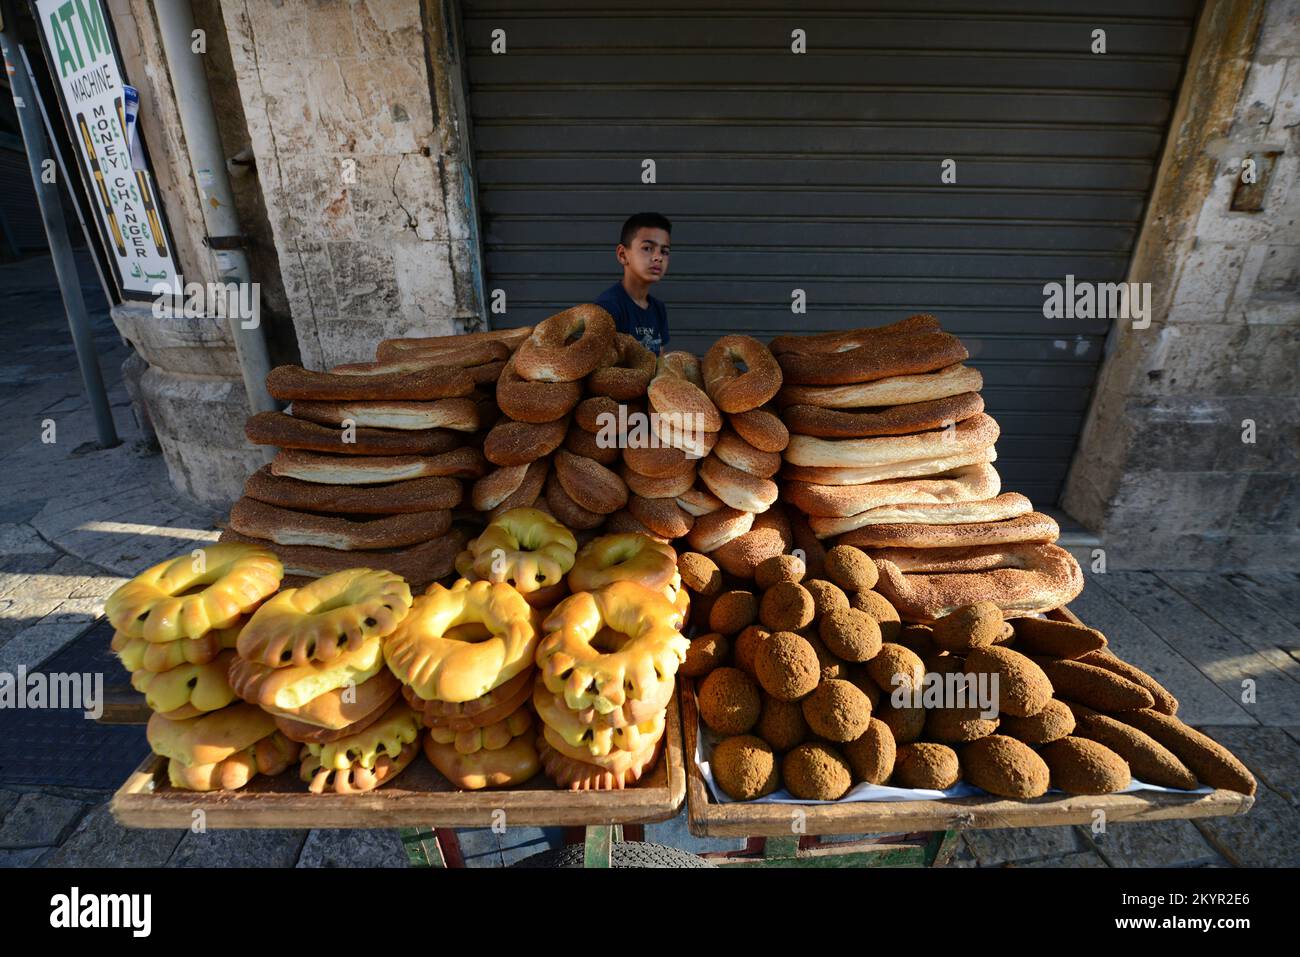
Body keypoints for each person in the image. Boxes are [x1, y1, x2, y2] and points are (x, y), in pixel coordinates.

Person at [594, 212, 671, 354]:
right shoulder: (608, 308)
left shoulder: (658, 309)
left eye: (664, 251)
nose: (658, 257)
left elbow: (660, 362)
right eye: (647, 248)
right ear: (622, 255)